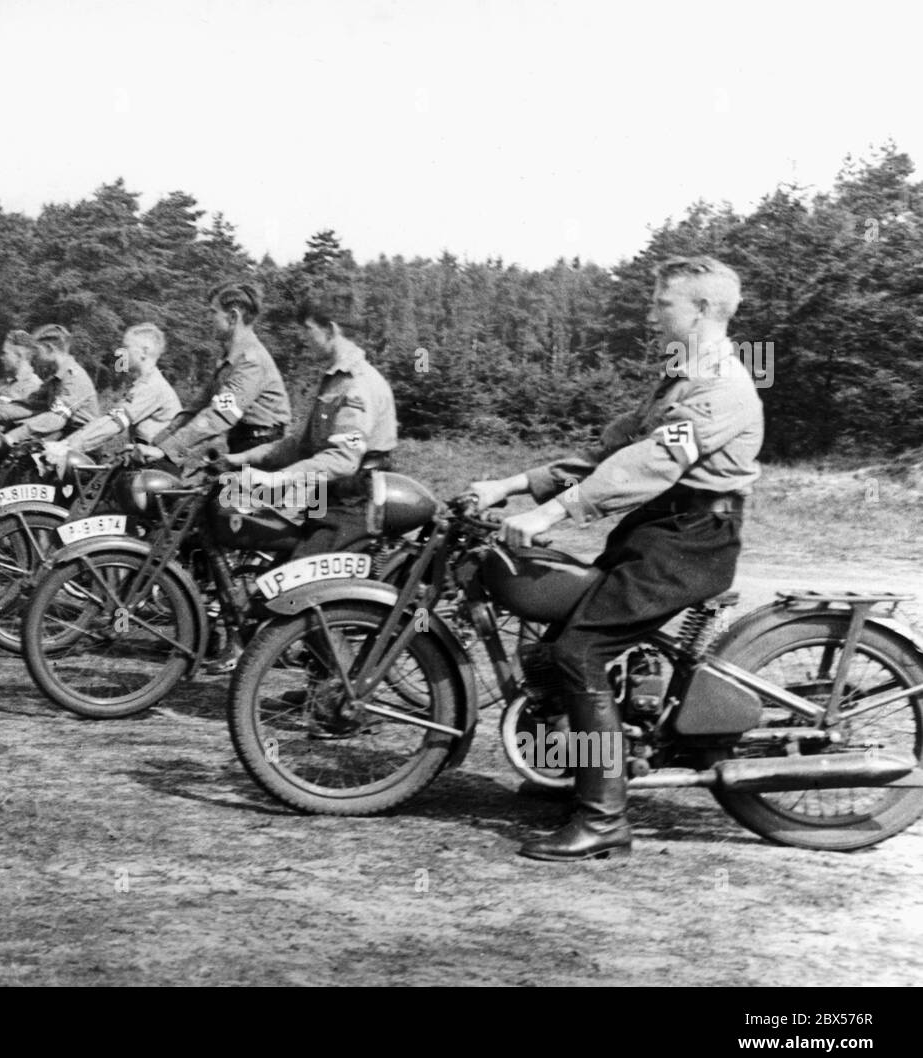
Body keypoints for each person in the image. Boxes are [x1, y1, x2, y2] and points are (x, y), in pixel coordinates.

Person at [466, 255, 764, 863]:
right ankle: (575, 770)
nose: (650, 314)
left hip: (692, 542)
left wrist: (553, 514)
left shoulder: (723, 385)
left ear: (703, 310)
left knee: (578, 651)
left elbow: (652, 462)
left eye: (662, 304)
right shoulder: (679, 375)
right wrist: (512, 485)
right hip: (660, 532)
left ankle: (604, 820)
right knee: (554, 638)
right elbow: (610, 451)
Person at [221, 295, 398, 558]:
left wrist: (274, 479)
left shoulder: (357, 385)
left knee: (291, 587)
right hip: (325, 499)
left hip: (353, 506)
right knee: (266, 545)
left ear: (331, 330)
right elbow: (300, 445)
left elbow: (343, 459)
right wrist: (238, 460)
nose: (304, 339)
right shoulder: (333, 380)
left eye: (308, 330)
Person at [142, 281, 290, 470]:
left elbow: (220, 414)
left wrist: (167, 449)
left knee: (215, 499)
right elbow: (195, 408)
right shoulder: (230, 359)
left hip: (262, 451)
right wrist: (156, 444)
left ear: (233, 317)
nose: (208, 318)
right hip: (240, 444)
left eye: (213, 312)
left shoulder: (251, 362)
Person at [42, 323, 180, 460]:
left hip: (157, 467)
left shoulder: (152, 386)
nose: (120, 352)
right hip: (144, 460)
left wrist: (67, 446)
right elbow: (109, 418)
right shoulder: (144, 383)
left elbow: (114, 423)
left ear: (144, 351)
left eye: (126, 347)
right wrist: (67, 443)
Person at [3, 324, 100, 444]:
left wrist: (13, 436)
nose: (35, 356)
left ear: (49, 348)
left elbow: (56, 418)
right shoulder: (55, 379)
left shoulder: (75, 378)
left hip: (80, 448)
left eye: (37, 350)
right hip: (62, 441)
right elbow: (28, 405)